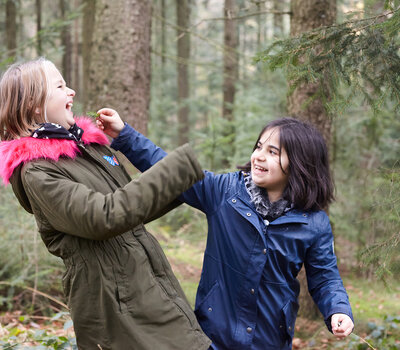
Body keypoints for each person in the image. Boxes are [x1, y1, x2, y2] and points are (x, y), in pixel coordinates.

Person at [0, 58, 212, 350]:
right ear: (35, 104)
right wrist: (178, 169)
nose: (71, 91)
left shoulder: (89, 148)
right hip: (114, 306)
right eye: (60, 86)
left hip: (147, 285)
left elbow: (131, 205)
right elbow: (104, 216)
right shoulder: (37, 171)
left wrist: (188, 188)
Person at [96, 111, 355, 350]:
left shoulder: (314, 223)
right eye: (258, 146)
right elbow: (171, 171)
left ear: (301, 164)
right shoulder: (224, 192)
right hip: (213, 334)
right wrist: (125, 134)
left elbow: (325, 278)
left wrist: (338, 310)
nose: (259, 156)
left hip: (269, 340)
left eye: (273, 152)